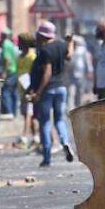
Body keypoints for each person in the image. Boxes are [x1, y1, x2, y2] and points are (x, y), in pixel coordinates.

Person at [25, 21, 75, 167]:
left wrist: (38, 92)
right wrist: (70, 42)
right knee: (60, 119)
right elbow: (69, 55)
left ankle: (47, 157)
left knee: (45, 122)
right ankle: (65, 141)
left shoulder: (45, 50)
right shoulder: (61, 45)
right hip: (61, 88)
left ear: (42, 36)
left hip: (48, 89)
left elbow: (46, 73)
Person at [66, 25, 92, 108]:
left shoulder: (82, 50)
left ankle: (79, 108)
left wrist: (89, 70)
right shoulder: (69, 49)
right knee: (71, 93)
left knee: (79, 93)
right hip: (70, 75)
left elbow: (86, 61)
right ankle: (70, 109)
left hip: (80, 75)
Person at [0, 29, 20, 117]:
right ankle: (14, 111)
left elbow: (7, 59)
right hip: (15, 70)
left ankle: (9, 111)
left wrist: (4, 72)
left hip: (9, 72)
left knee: (6, 92)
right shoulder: (11, 44)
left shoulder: (5, 44)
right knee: (14, 92)